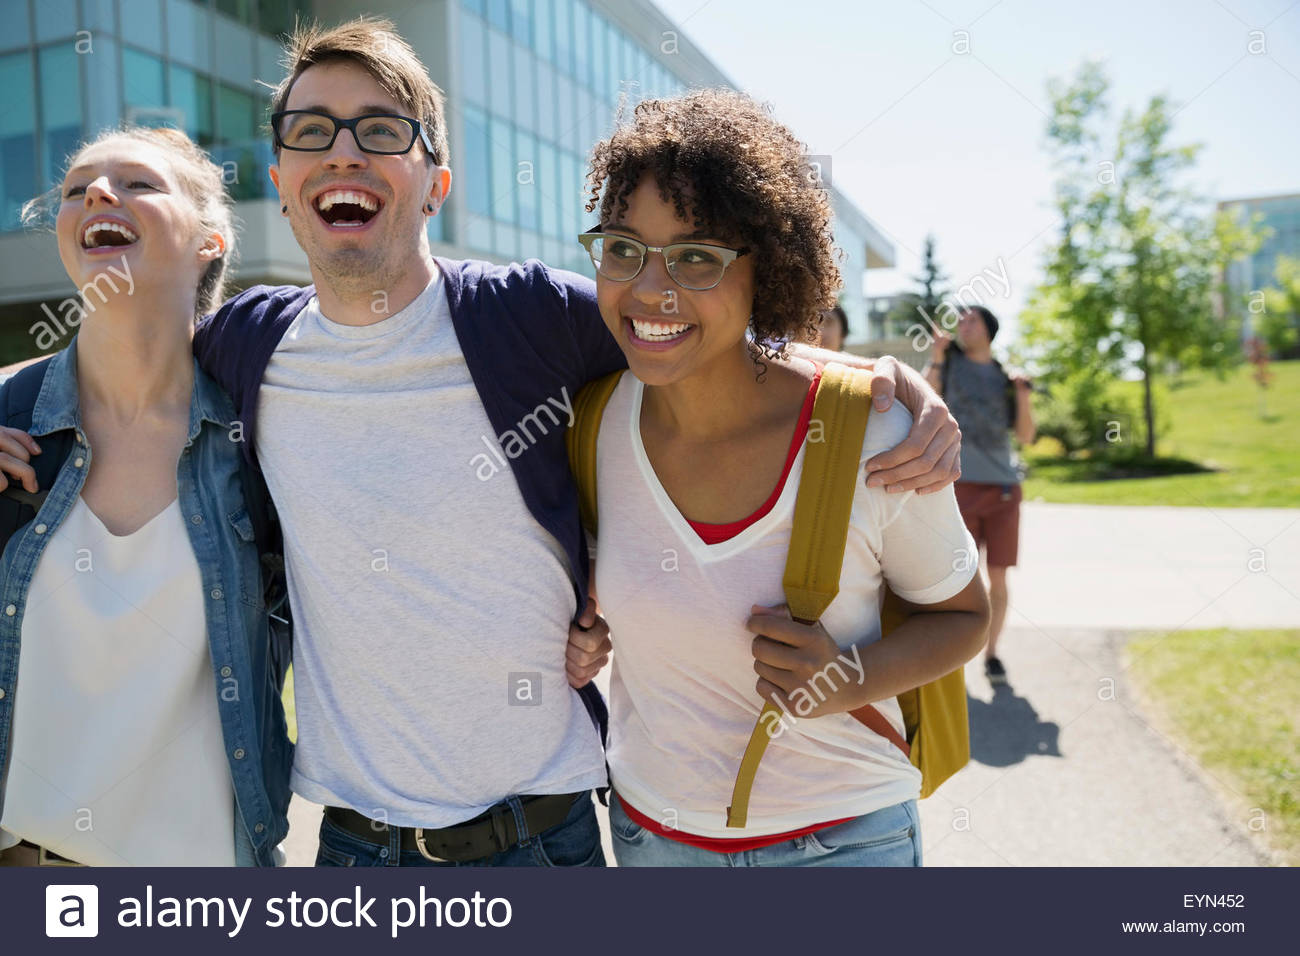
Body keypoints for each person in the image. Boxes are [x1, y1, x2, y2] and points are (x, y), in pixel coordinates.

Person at [10, 18, 961, 868]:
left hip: (542, 840)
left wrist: (880, 379)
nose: (343, 153)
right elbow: (122, 364)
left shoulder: (527, 317)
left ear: (436, 184)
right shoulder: (246, 345)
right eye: (311, 132)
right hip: (351, 846)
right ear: (282, 186)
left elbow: (691, 322)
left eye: (381, 131)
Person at [566, 89, 990, 867]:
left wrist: (845, 678)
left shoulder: (877, 433)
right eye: (624, 248)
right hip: (649, 840)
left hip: (843, 844)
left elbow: (965, 617)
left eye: (697, 257)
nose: (652, 288)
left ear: (771, 269)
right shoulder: (589, 423)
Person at [0, 126, 291, 866]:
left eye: (139, 184)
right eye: (77, 190)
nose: (98, 194)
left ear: (210, 241)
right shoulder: (7, 411)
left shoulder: (270, 436)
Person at [923, 305, 1036, 685]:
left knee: (998, 578)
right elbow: (925, 398)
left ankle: (992, 655)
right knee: (955, 576)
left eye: (971, 320)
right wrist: (937, 356)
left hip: (1004, 489)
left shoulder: (1006, 376)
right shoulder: (950, 365)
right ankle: (949, 662)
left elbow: (1025, 436)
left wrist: (1022, 393)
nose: (963, 326)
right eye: (961, 321)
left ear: (988, 330)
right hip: (959, 485)